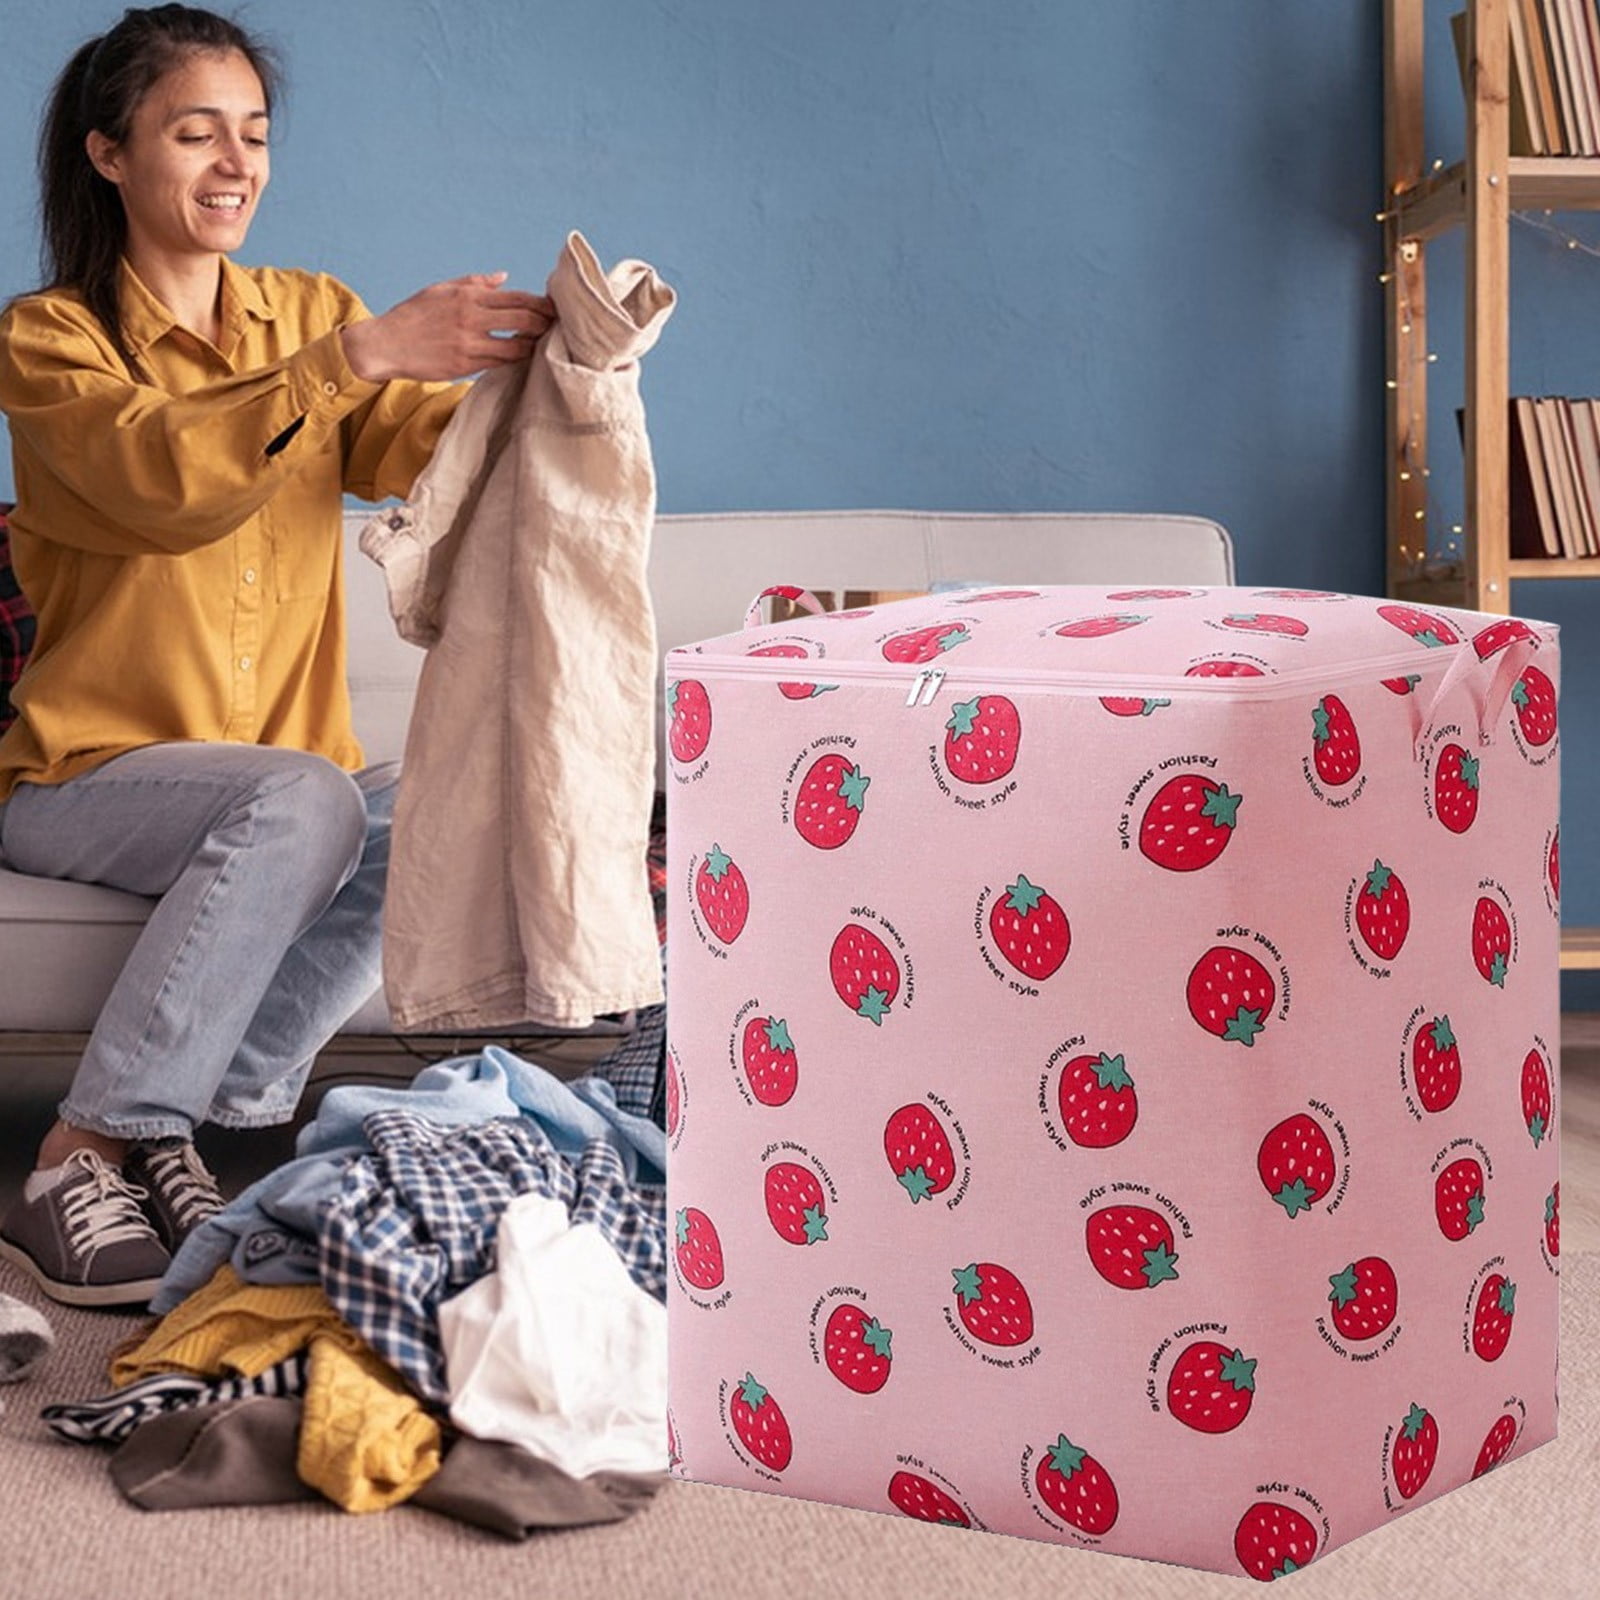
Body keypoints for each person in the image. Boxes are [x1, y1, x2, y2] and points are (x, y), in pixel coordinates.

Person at [0, 3, 553, 1308]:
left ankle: (191, 1124)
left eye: (252, 134)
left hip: (273, 787)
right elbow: (160, 480)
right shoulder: (46, 342)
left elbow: (425, 455)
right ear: (108, 154)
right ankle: (76, 1151)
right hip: (86, 778)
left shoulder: (303, 312)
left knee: (443, 795)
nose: (234, 162)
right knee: (297, 789)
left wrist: (549, 381)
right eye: (195, 132)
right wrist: (348, 360)